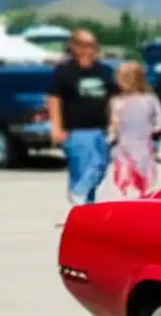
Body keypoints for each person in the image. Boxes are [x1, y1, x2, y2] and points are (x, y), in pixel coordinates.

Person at [48, 30, 117, 205]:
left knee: (99, 170)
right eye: (84, 45)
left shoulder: (105, 71)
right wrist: (56, 127)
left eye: (92, 45)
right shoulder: (64, 72)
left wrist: (116, 124)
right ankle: (79, 198)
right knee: (84, 171)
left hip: (101, 130)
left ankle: (84, 210)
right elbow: (54, 99)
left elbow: (114, 99)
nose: (89, 50)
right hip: (76, 131)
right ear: (73, 47)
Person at [108, 62, 161, 198]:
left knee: (139, 174)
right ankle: (132, 196)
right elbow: (160, 122)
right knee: (128, 173)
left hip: (139, 144)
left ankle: (138, 196)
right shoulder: (118, 101)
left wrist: (156, 132)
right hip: (130, 144)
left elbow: (160, 121)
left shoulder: (121, 101)